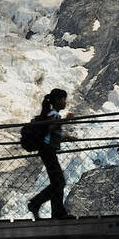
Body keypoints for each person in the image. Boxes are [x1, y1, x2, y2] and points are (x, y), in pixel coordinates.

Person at [27, 88, 78, 220]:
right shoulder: (53, 114)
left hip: (48, 151)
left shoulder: (51, 114)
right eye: (63, 99)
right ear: (57, 100)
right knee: (59, 182)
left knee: (58, 182)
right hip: (48, 152)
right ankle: (39, 205)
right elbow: (50, 128)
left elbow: (50, 134)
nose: (65, 102)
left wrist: (66, 137)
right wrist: (65, 121)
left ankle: (53, 211)